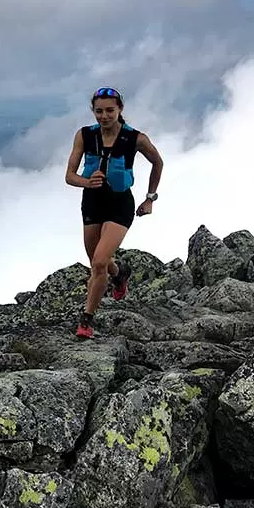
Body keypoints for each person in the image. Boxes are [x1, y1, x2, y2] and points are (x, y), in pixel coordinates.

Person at [64, 87, 163, 338]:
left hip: (120, 204)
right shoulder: (84, 136)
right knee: (100, 262)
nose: (104, 116)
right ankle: (120, 274)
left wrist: (150, 198)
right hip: (92, 203)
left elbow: (157, 162)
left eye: (110, 110)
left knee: (98, 264)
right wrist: (86, 182)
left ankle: (86, 321)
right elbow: (69, 176)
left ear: (120, 109)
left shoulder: (135, 139)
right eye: (99, 111)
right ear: (93, 111)